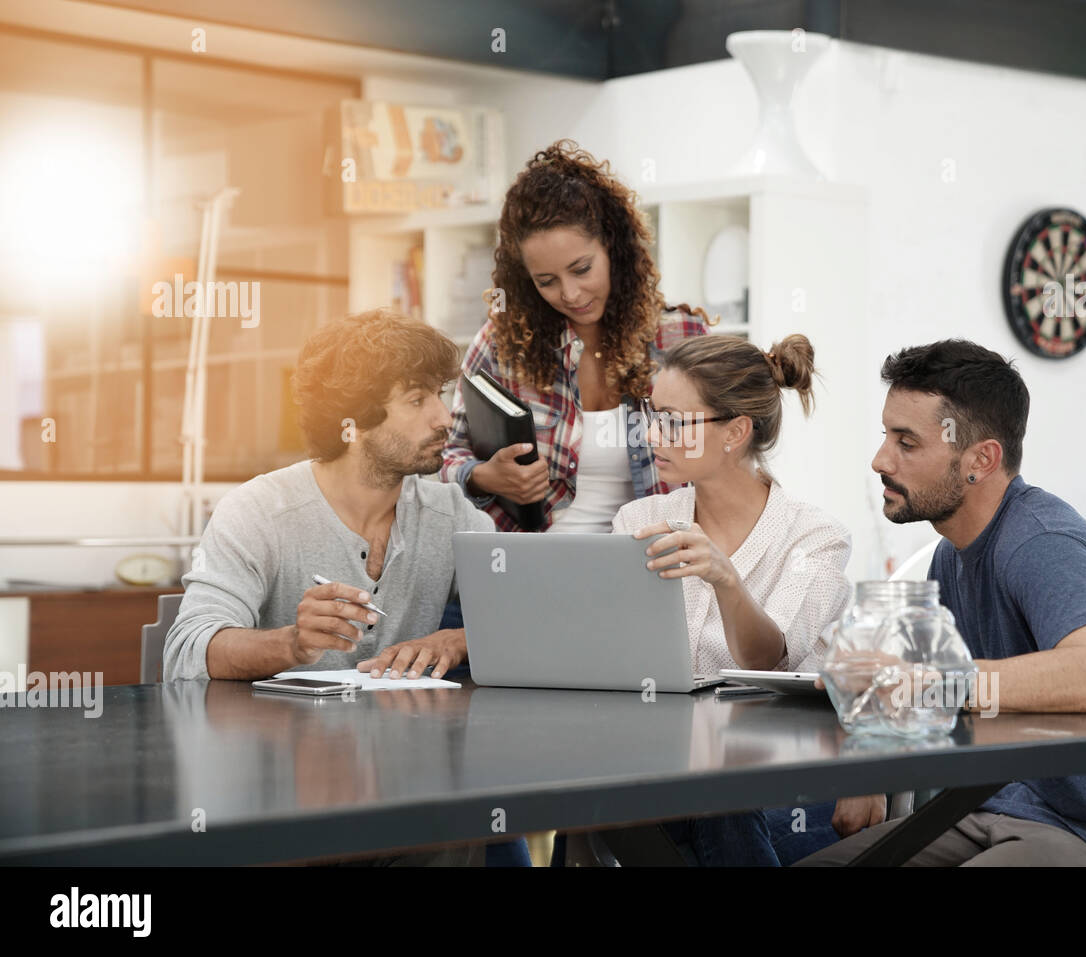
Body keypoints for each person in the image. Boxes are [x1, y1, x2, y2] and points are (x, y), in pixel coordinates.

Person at [797, 338, 1086, 867]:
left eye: (907, 442)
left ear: (981, 459)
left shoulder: (1040, 542)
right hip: (1003, 810)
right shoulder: (951, 558)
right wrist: (870, 763)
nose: (880, 459)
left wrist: (934, 682)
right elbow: (925, 697)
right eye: (886, 435)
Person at [162, 308, 499, 866]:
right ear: (353, 419)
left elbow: (528, 624)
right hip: (279, 793)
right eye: (418, 400)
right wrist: (290, 643)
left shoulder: (451, 511)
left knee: (455, 823)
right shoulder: (260, 510)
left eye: (440, 395)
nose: (446, 418)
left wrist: (459, 639)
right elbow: (187, 650)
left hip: (405, 785)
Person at [613, 333, 854, 866]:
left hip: (776, 786)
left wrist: (726, 580)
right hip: (665, 775)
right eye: (653, 416)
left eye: (674, 421)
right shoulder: (637, 523)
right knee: (609, 799)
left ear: (736, 432)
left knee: (709, 799)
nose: (652, 434)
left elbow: (771, 659)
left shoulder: (814, 538)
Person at [441, 139, 711, 535]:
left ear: (613, 248)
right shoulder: (503, 343)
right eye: (546, 281)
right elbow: (448, 454)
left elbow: (723, 457)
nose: (569, 294)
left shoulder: (681, 339)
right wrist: (483, 476)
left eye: (582, 269)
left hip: (649, 570)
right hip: (533, 569)